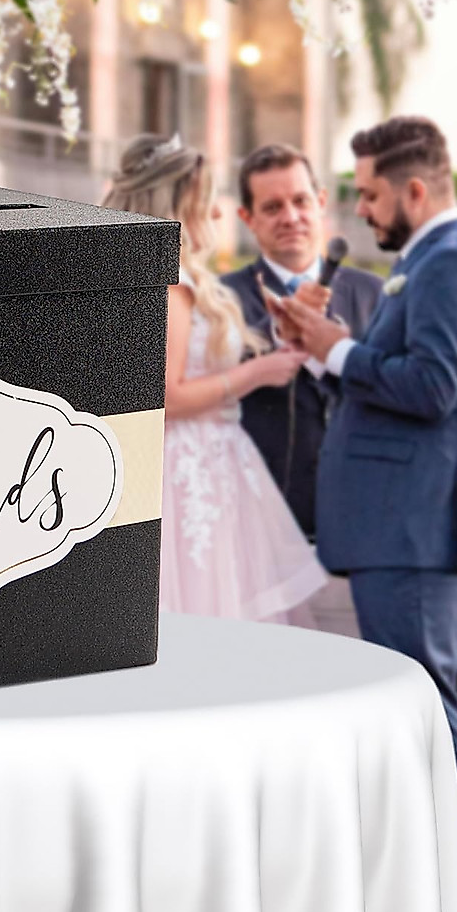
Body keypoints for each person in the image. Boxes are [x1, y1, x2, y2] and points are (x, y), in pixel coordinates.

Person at [278, 116, 457, 912]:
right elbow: (394, 386)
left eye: (371, 194)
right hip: (398, 527)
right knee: (420, 706)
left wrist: (339, 350)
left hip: (416, 528)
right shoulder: (426, 261)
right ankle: (448, 885)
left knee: (430, 707)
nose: (364, 210)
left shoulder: (453, 263)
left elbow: (433, 388)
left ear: (414, 189)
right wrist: (323, 351)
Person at [102, 133, 327, 623]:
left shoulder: (174, 278)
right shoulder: (172, 285)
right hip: (189, 470)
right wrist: (255, 373)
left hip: (215, 466)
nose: (218, 213)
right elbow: (166, 396)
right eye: (208, 201)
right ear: (180, 205)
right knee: (203, 603)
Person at [222, 144, 382, 537]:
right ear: (247, 218)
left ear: (321, 202)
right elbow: (206, 381)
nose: (291, 217)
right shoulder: (220, 299)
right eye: (272, 207)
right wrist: (279, 331)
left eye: (300, 201)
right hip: (256, 523)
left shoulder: (374, 294)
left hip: (359, 521)